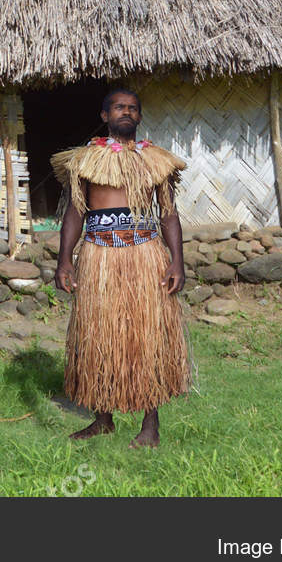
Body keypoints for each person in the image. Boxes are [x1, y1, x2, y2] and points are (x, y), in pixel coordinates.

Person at [50, 86, 195, 448]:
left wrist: (177, 260)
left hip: (145, 256)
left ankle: (150, 425)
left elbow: (169, 215)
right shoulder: (86, 160)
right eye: (118, 107)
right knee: (99, 335)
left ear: (140, 116)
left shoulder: (156, 160)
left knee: (146, 338)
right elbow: (75, 212)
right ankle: (103, 418)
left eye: (132, 108)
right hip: (98, 257)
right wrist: (64, 259)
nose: (126, 112)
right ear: (104, 115)